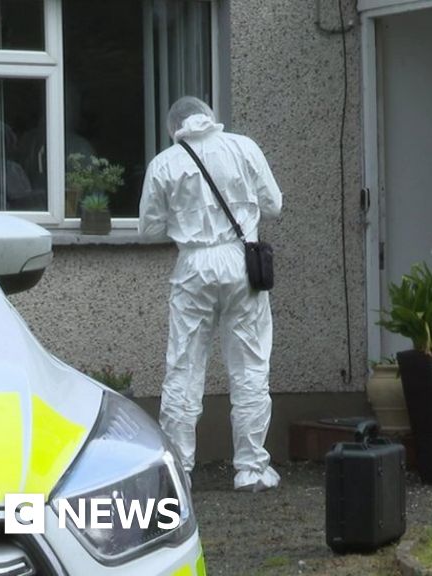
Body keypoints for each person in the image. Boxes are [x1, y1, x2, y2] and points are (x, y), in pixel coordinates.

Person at [138, 97, 282, 492]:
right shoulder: (242, 147)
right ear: (210, 117)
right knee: (250, 365)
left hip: (192, 267)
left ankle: (179, 471)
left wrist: (184, 219)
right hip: (242, 263)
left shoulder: (165, 163)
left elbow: (148, 230)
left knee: (183, 366)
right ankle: (251, 469)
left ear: (174, 128)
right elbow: (274, 203)